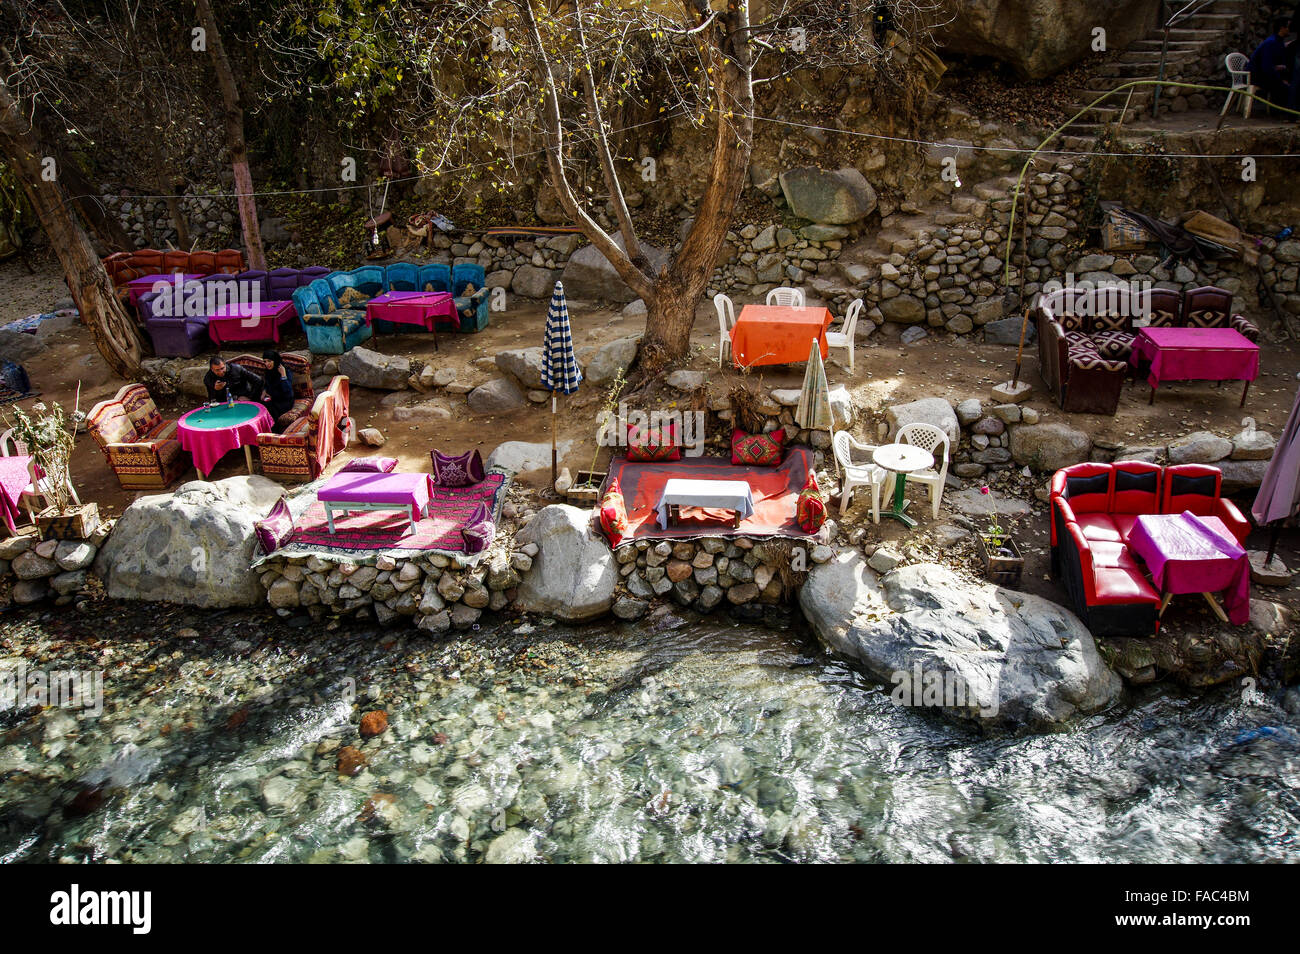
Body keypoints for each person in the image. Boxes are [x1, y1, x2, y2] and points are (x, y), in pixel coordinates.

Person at [1250, 17, 1297, 114]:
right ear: (1282, 28)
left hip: (1268, 73)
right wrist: (1281, 80)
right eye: (1288, 27)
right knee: (1291, 89)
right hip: (1258, 76)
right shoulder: (1271, 43)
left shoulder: (1278, 41)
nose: (1290, 30)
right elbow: (1267, 67)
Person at [261, 349, 296, 423]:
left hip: (284, 401)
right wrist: (264, 391)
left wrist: (283, 375)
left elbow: (288, 392)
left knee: (270, 411)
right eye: (265, 361)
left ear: (275, 360)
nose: (267, 364)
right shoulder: (268, 372)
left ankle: (273, 431)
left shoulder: (285, 371)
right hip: (273, 399)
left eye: (269, 361)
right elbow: (267, 384)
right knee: (260, 407)